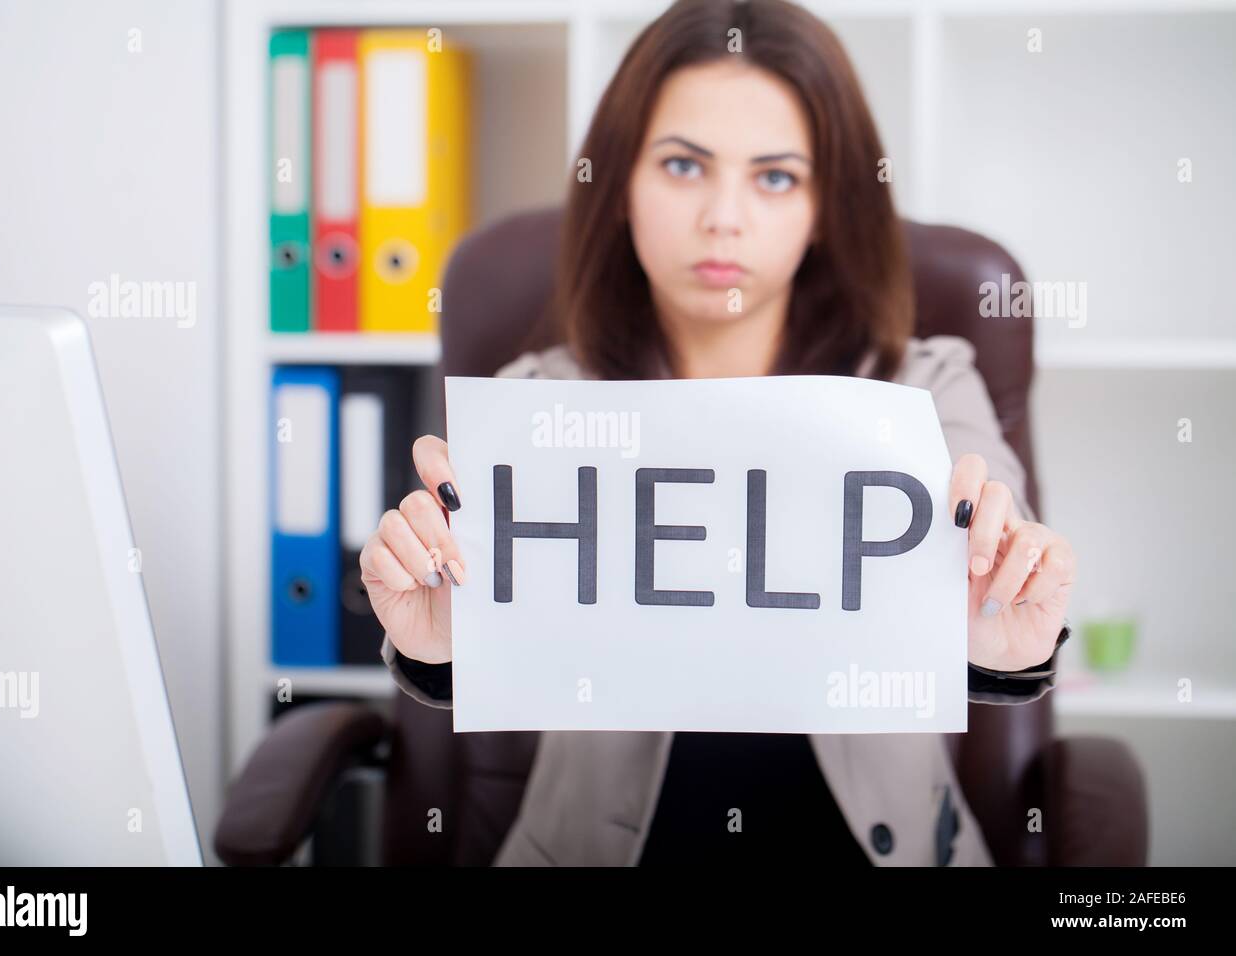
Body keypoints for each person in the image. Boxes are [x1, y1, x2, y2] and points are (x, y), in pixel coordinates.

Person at [359, 0, 1076, 866]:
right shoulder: (538, 408)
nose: (724, 218)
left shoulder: (926, 389)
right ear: (620, 185)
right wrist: (443, 647)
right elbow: (504, 642)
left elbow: (997, 554)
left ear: (824, 207)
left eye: (775, 177)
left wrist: (1002, 630)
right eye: (682, 166)